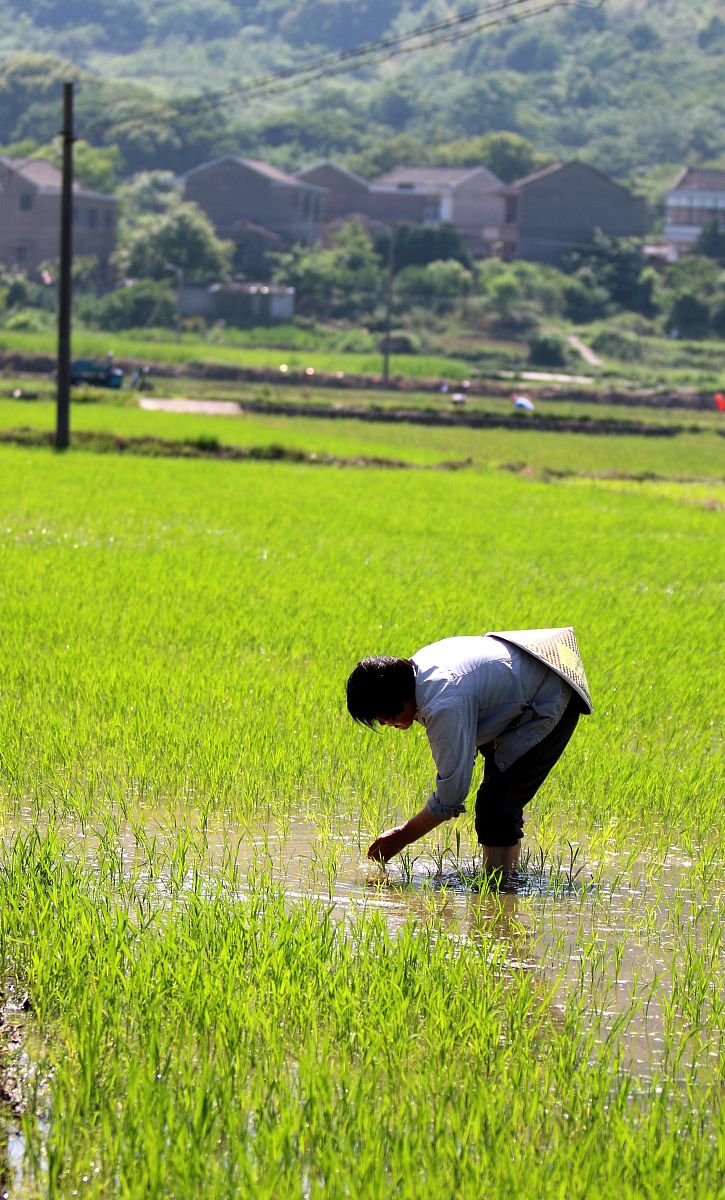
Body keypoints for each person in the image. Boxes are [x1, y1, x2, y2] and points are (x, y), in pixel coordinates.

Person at [346, 628, 592, 873]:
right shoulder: (419, 672)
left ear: (394, 698)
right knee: (501, 801)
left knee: (496, 806)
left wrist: (402, 836)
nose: (383, 723)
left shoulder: (443, 702)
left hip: (549, 697)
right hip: (530, 682)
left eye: (382, 715)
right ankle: (508, 878)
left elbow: (452, 794)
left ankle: (498, 889)